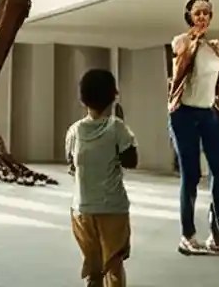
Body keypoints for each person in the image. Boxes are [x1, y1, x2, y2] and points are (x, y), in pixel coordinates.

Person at [167, 0, 219, 256]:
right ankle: (187, 235)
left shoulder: (216, 47)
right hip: (184, 114)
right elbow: (181, 57)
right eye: (198, 13)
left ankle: (218, 234)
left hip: (209, 113)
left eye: (207, 13)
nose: (202, 17)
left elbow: (217, 81)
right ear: (190, 15)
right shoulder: (182, 40)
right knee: (191, 175)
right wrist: (193, 38)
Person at [65, 68, 138, 287]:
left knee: (93, 268)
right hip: (112, 210)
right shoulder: (117, 127)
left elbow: (72, 165)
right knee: (113, 265)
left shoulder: (74, 131)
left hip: (82, 210)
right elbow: (131, 161)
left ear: (82, 99)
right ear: (114, 95)